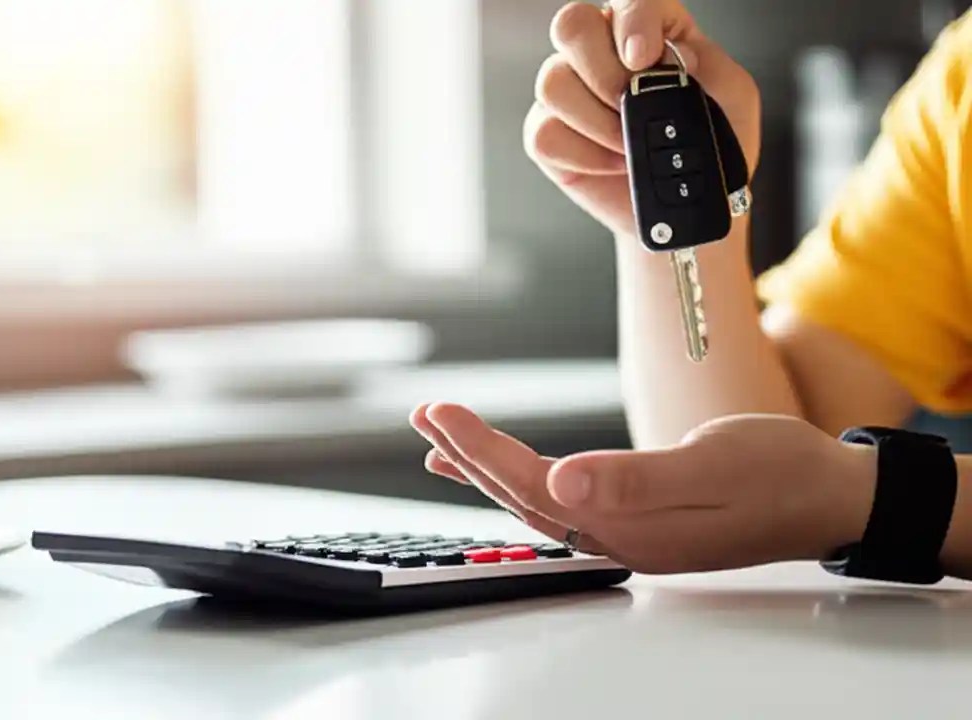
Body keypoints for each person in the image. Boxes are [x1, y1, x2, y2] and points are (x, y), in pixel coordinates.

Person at [411, 0, 972, 581]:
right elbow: (760, 477)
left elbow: (810, 490)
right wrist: (670, 227)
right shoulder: (960, 83)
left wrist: (873, 496)